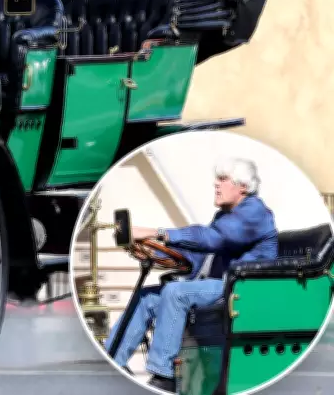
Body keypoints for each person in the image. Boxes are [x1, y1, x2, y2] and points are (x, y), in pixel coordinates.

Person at [105, 157, 278, 392]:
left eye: (223, 179)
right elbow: (199, 252)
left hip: (242, 287)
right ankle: (112, 361)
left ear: (243, 187)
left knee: (176, 293)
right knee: (147, 297)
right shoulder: (227, 216)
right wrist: (152, 248)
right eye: (217, 179)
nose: (216, 184)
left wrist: (158, 233)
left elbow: (211, 239)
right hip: (222, 284)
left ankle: (163, 375)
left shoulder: (254, 213)